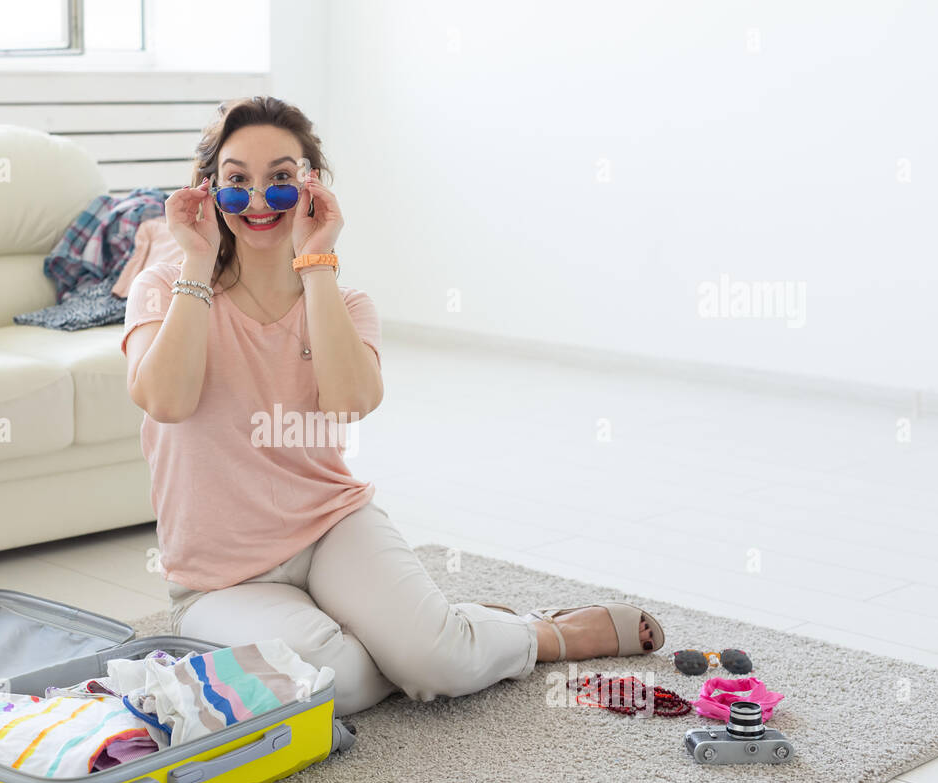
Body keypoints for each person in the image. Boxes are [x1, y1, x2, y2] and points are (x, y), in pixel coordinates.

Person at [121, 96, 663, 717]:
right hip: (219, 579)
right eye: (237, 180)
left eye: (281, 179)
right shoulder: (165, 286)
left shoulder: (345, 303)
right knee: (335, 682)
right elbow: (166, 400)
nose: (260, 200)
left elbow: (350, 403)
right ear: (210, 191)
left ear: (311, 189)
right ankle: (439, 635)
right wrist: (194, 256)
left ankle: (541, 635)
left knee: (437, 664)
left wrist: (316, 257)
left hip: (330, 526)